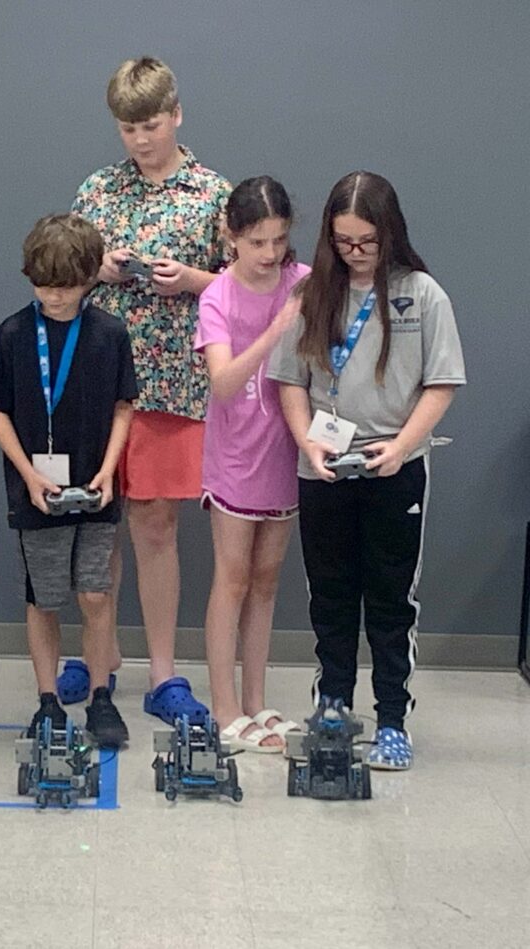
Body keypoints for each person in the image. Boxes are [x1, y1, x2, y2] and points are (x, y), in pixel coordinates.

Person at [268, 171, 466, 770]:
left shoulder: (423, 293)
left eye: (367, 243)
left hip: (394, 465)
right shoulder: (312, 296)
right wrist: (308, 441)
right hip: (325, 466)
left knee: (388, 597)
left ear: (390, 234)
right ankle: (332, 702)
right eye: (344, 242)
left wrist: (402, 446)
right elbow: (289, 383)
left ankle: (390, 718)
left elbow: (441, 383)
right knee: (330, 595)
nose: (355, 253)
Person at [69, 56, 231, 723]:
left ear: (177, 113)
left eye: (152, 124)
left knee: (156, 526)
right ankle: (100, 655)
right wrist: (96, 266)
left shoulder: (214, 193)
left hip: (174, 383)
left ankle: (164, 671)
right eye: (128, 127)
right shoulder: (98, 191)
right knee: (97, 525)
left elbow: (248, 288)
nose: (140, 139)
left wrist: (192, 280)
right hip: (99, 386)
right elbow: (58, 278)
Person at [0, 213, 138, 747]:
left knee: (95, 594)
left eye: (66, 286)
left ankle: (100, 696)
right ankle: (48, 701)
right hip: (37, 491)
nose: (53, 296)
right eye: (42, 284)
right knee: (45, 597)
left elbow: (124, 406)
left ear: (92, 277)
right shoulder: (12, 335)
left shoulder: (110, 334)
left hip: (95, 488)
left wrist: (110, 469)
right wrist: (27, 474)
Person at [193, 176, 309, 752]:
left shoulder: (302, 282)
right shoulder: (218, 295)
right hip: (236, 456)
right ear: (231, 236)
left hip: (287, 453)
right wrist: (275, 331)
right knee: (233, 578)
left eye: (279, 241)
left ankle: (258, 702)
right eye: (257, 241)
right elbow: (223, 382)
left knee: (266, 582)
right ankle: (224, 705)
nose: (269, 254)